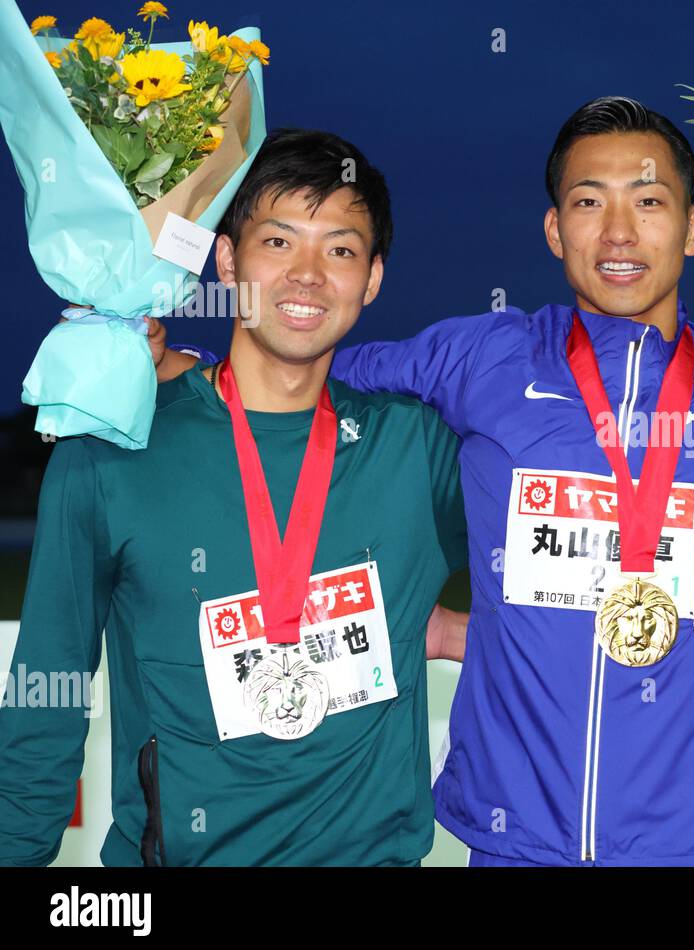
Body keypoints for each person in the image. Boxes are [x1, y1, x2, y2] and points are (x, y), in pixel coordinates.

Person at [161, 96, 694, 866]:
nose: (619, 232)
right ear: (556, 230)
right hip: (514, 842)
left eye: (649, 202)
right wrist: (171, 362)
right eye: (589, 202)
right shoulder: (483, 359)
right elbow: (299, 377)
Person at [0, 129, 468, 866]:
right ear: (226, 259)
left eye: (341, 250)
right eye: (278, 242)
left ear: (373, 278)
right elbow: (46, 697)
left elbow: (576, 509)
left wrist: (447, 630)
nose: (308, 275)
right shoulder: (114, 451)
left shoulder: (417, 449)